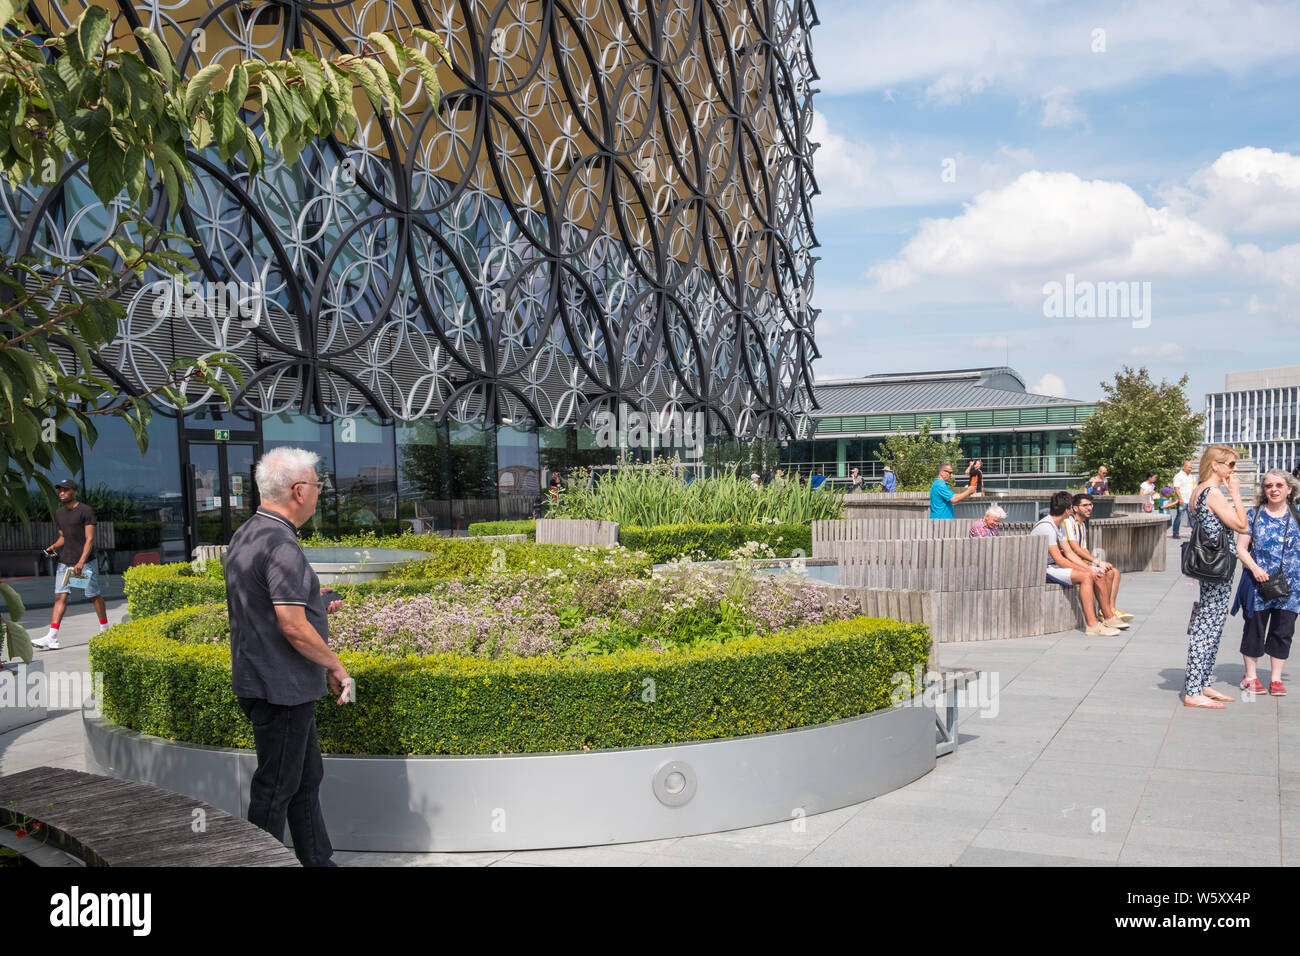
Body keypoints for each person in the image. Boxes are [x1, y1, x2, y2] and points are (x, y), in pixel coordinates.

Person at [225, 447, 351, 866]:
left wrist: (313, 599)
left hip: (263, 680)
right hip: (282, 687)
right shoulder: (282, 545)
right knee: (276, 786)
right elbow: (292, 626)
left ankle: (318, 859)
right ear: (299, 491)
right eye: (317, 485)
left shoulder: (248, 534)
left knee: (305, 777)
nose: (319, 492)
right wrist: (334, 664)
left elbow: (267, 602)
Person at [1182, 444, 1249, 709]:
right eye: (1231, 464)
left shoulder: (1199, 490)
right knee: (1208, 623)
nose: (1234, 470)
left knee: (1214, 619)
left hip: (1211, 564)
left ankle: (1203, 681)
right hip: (1217, 565)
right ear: (1215, 465)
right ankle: (1193, 689)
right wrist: (1236, 493)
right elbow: (1242, 524)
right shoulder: (1212, 492)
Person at [1234, 469, 1300, 696]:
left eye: (1279, 485)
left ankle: (1276, 679)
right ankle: (1250, 676)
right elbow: (1241, 548)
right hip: (1258, 585)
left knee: (1283, 632)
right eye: (1269, 485)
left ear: (1289, 489)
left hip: (1291, 588)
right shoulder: (1254, 514)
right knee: (1254, 630)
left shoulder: (1297, 514)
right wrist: (1255, 568)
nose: (1274, 489)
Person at [1030, 491, 1126, 636]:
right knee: (1087, 576)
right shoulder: (1047, 527)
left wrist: (1090, 568)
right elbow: (1059, 559)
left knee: (1096, 574)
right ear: (1068, 509)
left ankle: (1108, 617)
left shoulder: (1059, 525)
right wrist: (1088, 571)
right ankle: (1092, 625)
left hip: (1053, 566)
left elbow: (1068, 553)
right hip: (1042, 569)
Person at [31, 478, 110, 650]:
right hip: (65, 561)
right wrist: (52, 547)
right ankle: (52, 636)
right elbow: (64, 537)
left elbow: (89, 539)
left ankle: (105, 629)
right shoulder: (59, 514)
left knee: (93, 595)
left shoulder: (85, 511)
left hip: (85, 562)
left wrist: (81, 562)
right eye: (60, 490)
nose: (61, 493)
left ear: (74, 492)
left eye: (65, 490)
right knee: (60, 596)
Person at [1062, 493, 1133, 623]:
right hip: (1069, 563)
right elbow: (1075, 548)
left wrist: (1095, 562)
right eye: (1085, 505)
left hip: (1079, 561)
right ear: (1075, 508)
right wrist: (1097, 562)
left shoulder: (1081, 524)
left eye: (1090, 505)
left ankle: (1110, 609)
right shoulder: (1068, 522)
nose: (1089, 508)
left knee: (1114, 572)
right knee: (1103, 573)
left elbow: (1083, 549)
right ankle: (1105, 613)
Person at [1172, 460, 1196, 539]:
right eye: (1188, 467)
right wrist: (1180, 499)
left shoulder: (1192, 476)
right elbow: (1176, 488)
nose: (1190, 469)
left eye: (1191, 467)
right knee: (1179, 517)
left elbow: (1194, 487)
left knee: (1192, 517)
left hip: (1190, 501)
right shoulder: (1178, 476)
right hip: (1182, 500)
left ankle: (1195, 533)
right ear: (1184, 467)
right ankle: (1175, 533)